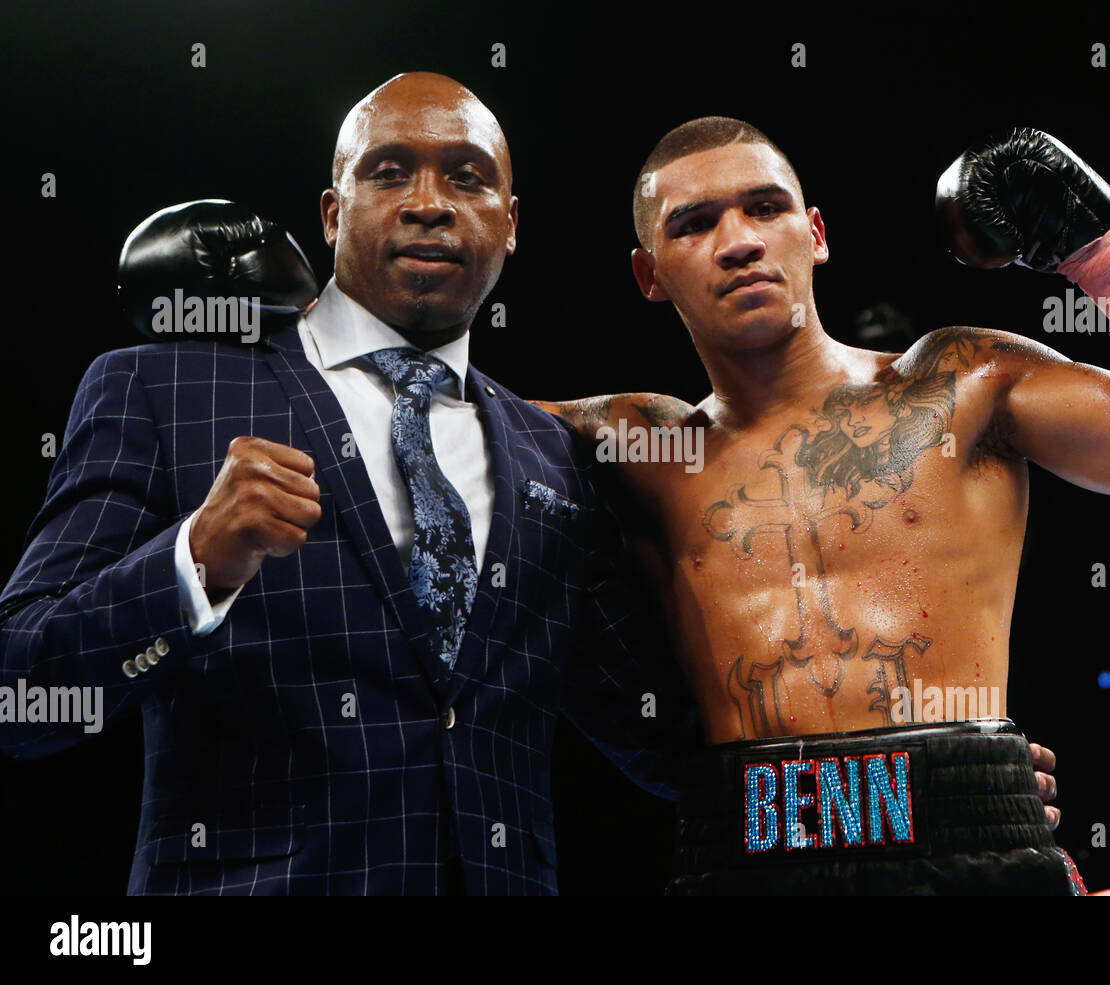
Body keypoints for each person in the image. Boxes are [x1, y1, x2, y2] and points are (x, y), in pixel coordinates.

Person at [529, 118, 1110, 894]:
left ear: (814, 233)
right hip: (745, 839)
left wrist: (1105, 250)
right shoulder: (640, 445)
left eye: (765, 208)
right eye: (693, 223)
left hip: (969, 830)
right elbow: (424, 424)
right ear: (649, 273)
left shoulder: (960, 382)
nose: (740, 241)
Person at [0, 72, 695, 895]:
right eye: (390, 171)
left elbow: (669, 749)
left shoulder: (552, 457)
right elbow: (22, 693)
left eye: (466, 176)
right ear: (333, 213)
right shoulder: (163, 387)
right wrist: (192, 561)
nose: (429, 202)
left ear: (510, 228)